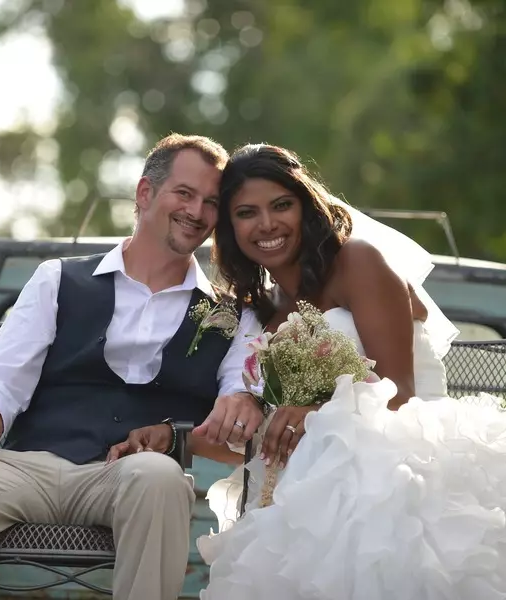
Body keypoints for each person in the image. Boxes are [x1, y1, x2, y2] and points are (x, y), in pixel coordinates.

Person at [0, 134, 266, 600]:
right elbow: (1, 377)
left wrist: (180, 430)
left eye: (211, 202)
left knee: (160, 478)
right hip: (31, 464)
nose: (197, 212)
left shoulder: (235, 316)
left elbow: (235, 419)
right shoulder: (58, 279)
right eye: (184, 193)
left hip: (129, 478)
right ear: (144, 194)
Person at [198, 143, 506, 599]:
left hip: (403, 458)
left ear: (307, 207)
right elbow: (261, 431)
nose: (267, 224)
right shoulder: (261, 311)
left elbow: (400, 393)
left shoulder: (357, 262)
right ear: (230, 227)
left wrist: (314, 412)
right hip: (311, 481)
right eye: (247, 212)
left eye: (282, 205)